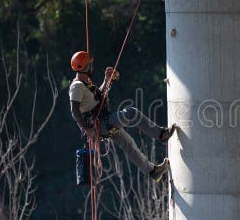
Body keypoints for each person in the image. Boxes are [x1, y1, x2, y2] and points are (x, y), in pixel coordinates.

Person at [68, 50, 175, 182]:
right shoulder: (77, 86)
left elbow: (98, 98)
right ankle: (161, 134)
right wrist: (87, 129)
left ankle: (153, 171)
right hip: (99, 124)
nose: (92, 66)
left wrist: (107, 80)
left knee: (128, 144)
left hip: (102, 121)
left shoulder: (86, 83)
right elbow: (74, 110)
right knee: (131, 113)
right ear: (86, 66)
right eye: (90, 64)